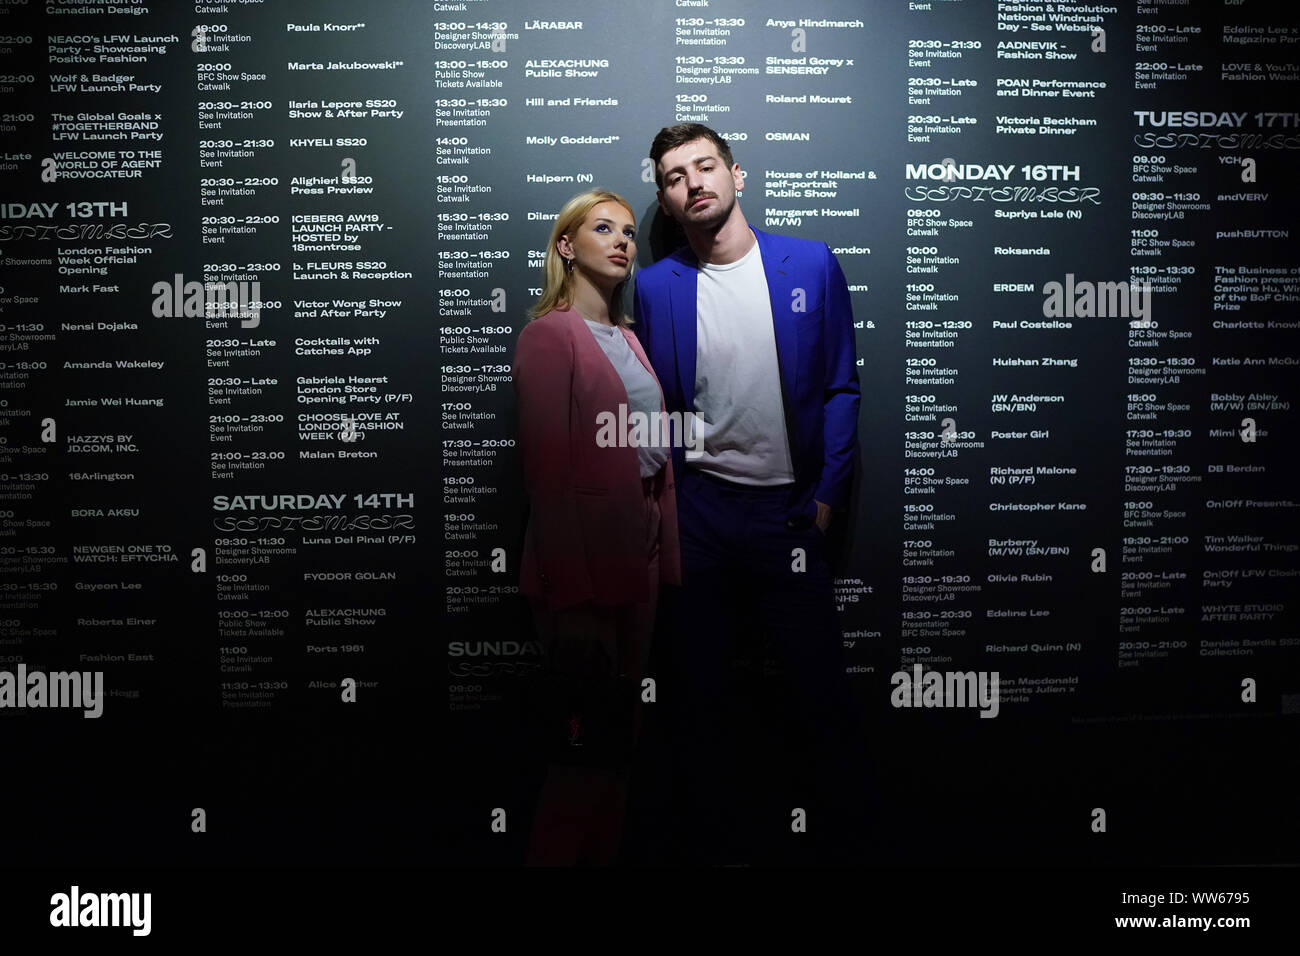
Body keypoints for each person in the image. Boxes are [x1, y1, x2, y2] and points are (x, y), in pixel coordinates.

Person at [634, 123, 866, 864]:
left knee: (818, 695)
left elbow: (839, 386)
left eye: (705, 166)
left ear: (738, 175)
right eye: (674, 177)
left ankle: (837, 840)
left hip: (788, 516)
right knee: (700, 696)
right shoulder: (654, 286)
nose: (692, 182)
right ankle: (716, 845)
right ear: (667, 202)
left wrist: (827, 494)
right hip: (698, 514)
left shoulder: (812, 262)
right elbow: (655, 405)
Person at [512, 188, 681, 865]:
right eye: (603, 229)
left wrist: (659, 550)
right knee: (581, 743)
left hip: (636, 552)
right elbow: (548, 479)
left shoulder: (630, 339)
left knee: (621, 739)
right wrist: (573, 598)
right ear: (565, 246)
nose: (622, 242)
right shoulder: (549, 336)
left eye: (631, 233)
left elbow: (651, 452)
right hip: (581, 567)